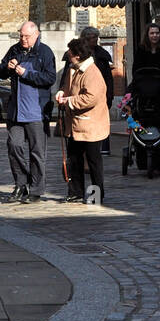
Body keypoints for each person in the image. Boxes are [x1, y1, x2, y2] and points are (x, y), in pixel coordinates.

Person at [0, 20, 56, 204]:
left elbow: (50, 78)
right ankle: (21, 183)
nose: (23, 39)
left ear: (36, 35)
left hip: (36, 110)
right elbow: (0, 71)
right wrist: (7, 67)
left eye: (26, 36)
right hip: (16, 110)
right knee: (14, 146)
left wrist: (26, 74)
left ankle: (36, 190)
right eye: (21, 35)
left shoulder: (44, 52)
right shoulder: (14, 50)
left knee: (37, 152)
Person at [56, 38, 109, 204]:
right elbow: (68, 88)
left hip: (91, 125)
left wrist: (69, 101)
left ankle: (96, 195)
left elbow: (91, 97)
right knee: (74, 159)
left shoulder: (92, 73)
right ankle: (76, 192)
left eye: (70, 52)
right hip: (75, 125)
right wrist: (61, 94)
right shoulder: (74, 69)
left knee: (94, 163)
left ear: (78, 56)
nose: (68, 55)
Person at [131, 23, 160, 173]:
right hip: (143, 91)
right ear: (147, 34)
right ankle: (142, 156)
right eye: (152, 33)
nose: (155, 36)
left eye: (157, 33)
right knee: (139, 119)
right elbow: (136, 69)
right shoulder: (141, 50)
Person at [80, 25, 113, 155]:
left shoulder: (102, 55)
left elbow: (108, 78)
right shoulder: (78, 53)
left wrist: (109, 95)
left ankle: (102, 147)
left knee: (101, 121)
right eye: (91, 38)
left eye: (95, 37)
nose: (94, 40)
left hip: (100, 94)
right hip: (83, 94)